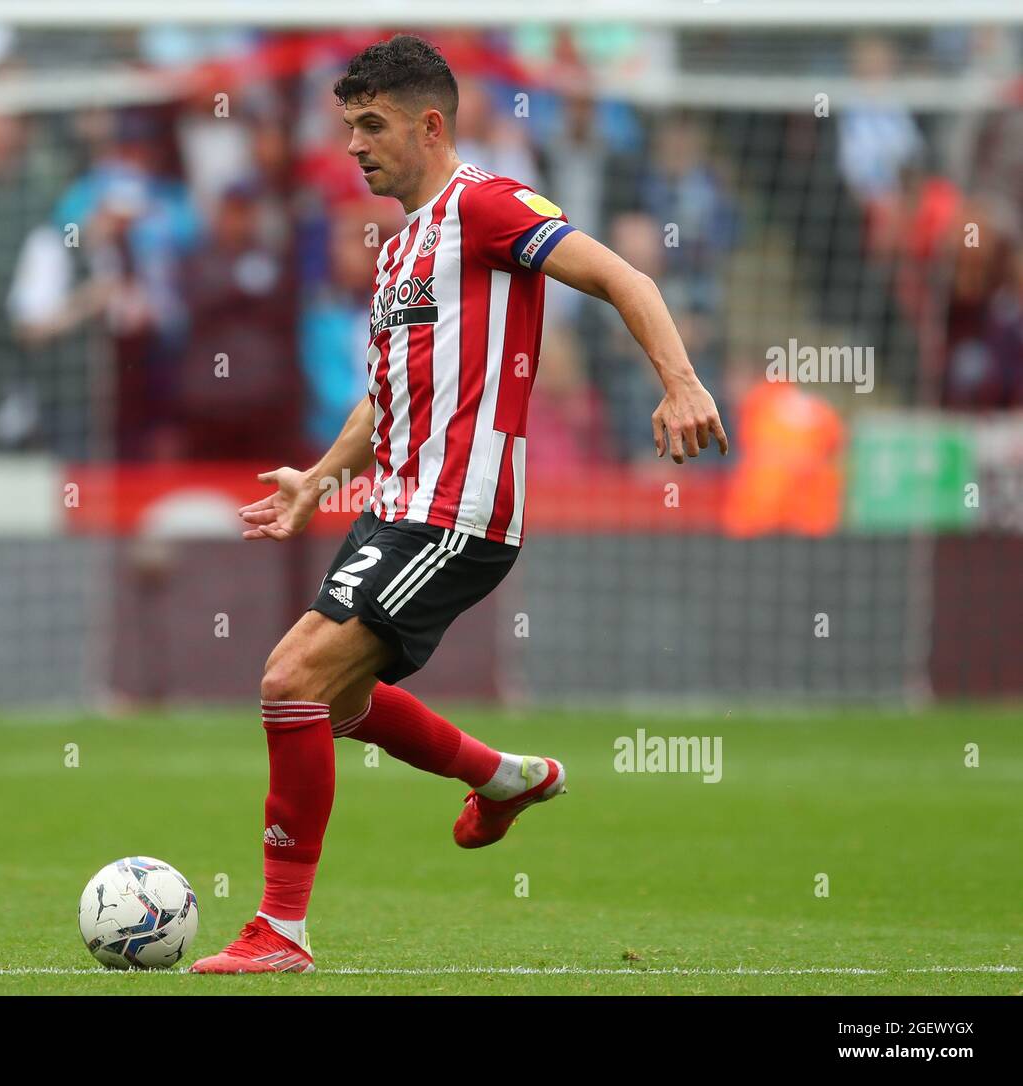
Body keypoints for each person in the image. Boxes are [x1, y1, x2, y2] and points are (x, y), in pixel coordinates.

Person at [191, 34, 727, 975]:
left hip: (458, 512)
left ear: (430, 124)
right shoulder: (402, 247)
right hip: (393, 506)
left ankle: (281, 929)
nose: (353, 144)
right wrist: (317, 478)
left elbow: (622, 276)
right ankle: (503, 778)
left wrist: (680, 382)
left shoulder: (485, 205)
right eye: (347, 125)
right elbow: (390, 390)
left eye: (372, 124)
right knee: (341, 701)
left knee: (289, 682)